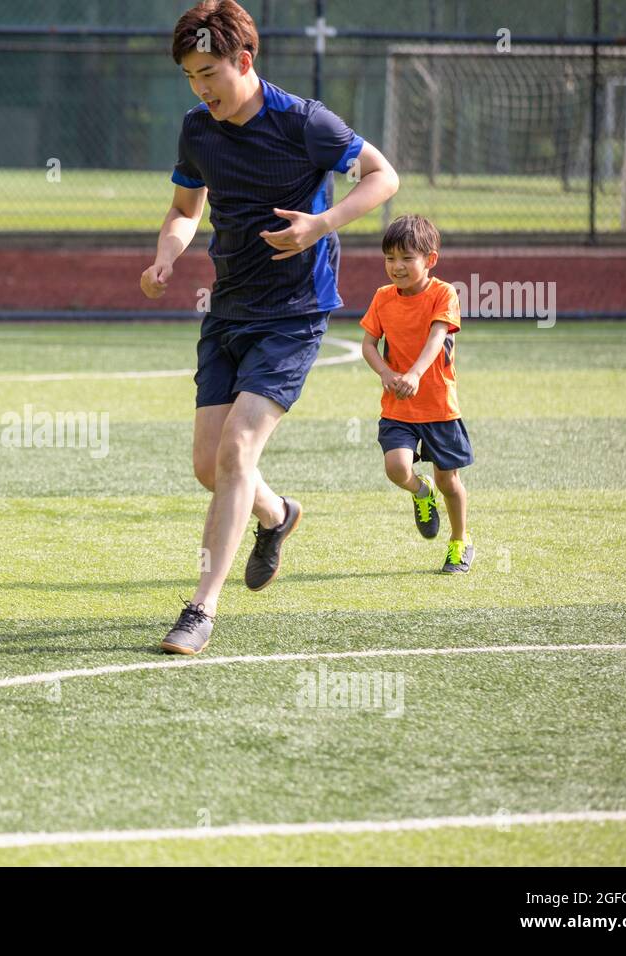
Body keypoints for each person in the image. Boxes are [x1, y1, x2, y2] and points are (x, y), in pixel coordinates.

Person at [140, 0, 400, 655]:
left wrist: (321, 224)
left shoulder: (304, 122)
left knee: (235, 455)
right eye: (190, 77)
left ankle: (200, 609)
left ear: (244, 61)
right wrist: (169, 250)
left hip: (293, 313)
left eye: (210, 73)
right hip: (228, 310)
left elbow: (382, 175)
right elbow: (182, 206)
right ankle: (278, 514)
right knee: (209, 464)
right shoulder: (197, 129)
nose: (201, 89)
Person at [360, 214, 474, 573]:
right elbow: (368, 344)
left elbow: (437, 337)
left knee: (449, 481)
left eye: (407, 258)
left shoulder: (444, 293)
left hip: (439, 407)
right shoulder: (381, 298)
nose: (397, 266)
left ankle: (460, 541)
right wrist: (386, 372)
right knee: (396, 468)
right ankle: (421, 492)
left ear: (430, 260)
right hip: (398, 406)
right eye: (390, 258)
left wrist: (414, 374)